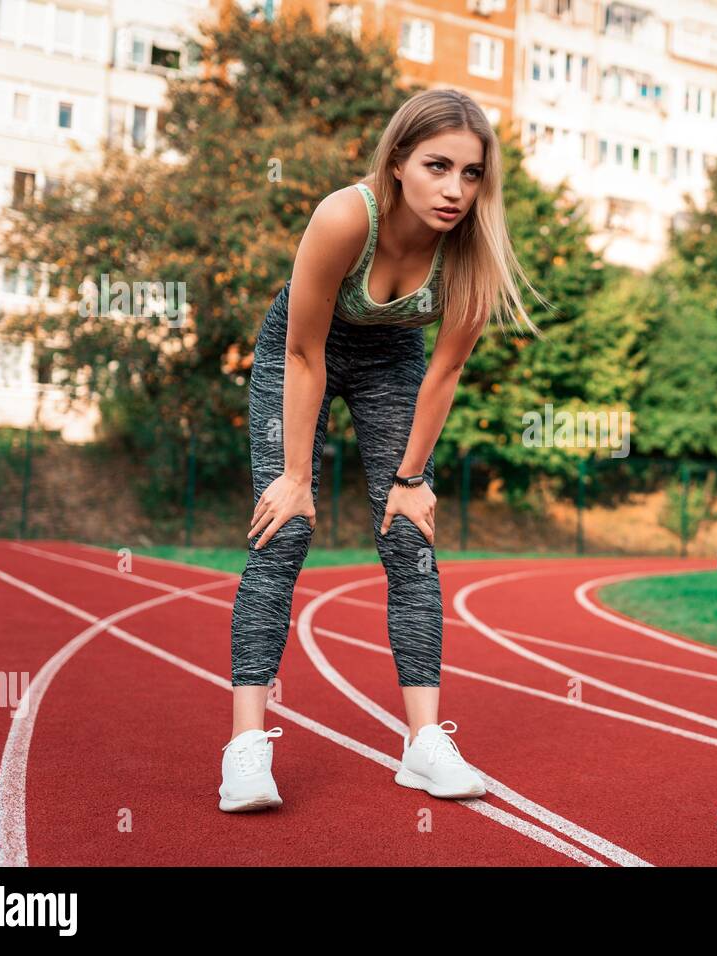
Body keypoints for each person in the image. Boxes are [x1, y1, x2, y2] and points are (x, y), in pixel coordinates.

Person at [219, 89, 548, 812]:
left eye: (471, 174)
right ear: (398, 161)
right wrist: (296, 478)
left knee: (410, 537)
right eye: (437, 166)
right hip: (300, 351)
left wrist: (410, 479)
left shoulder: (472, 249)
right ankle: (244, 749)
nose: (455, 190)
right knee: (285, 529)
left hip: (393, 360)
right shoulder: (345, 217)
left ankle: (424, 744)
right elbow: (305, 353)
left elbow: (445, 371)